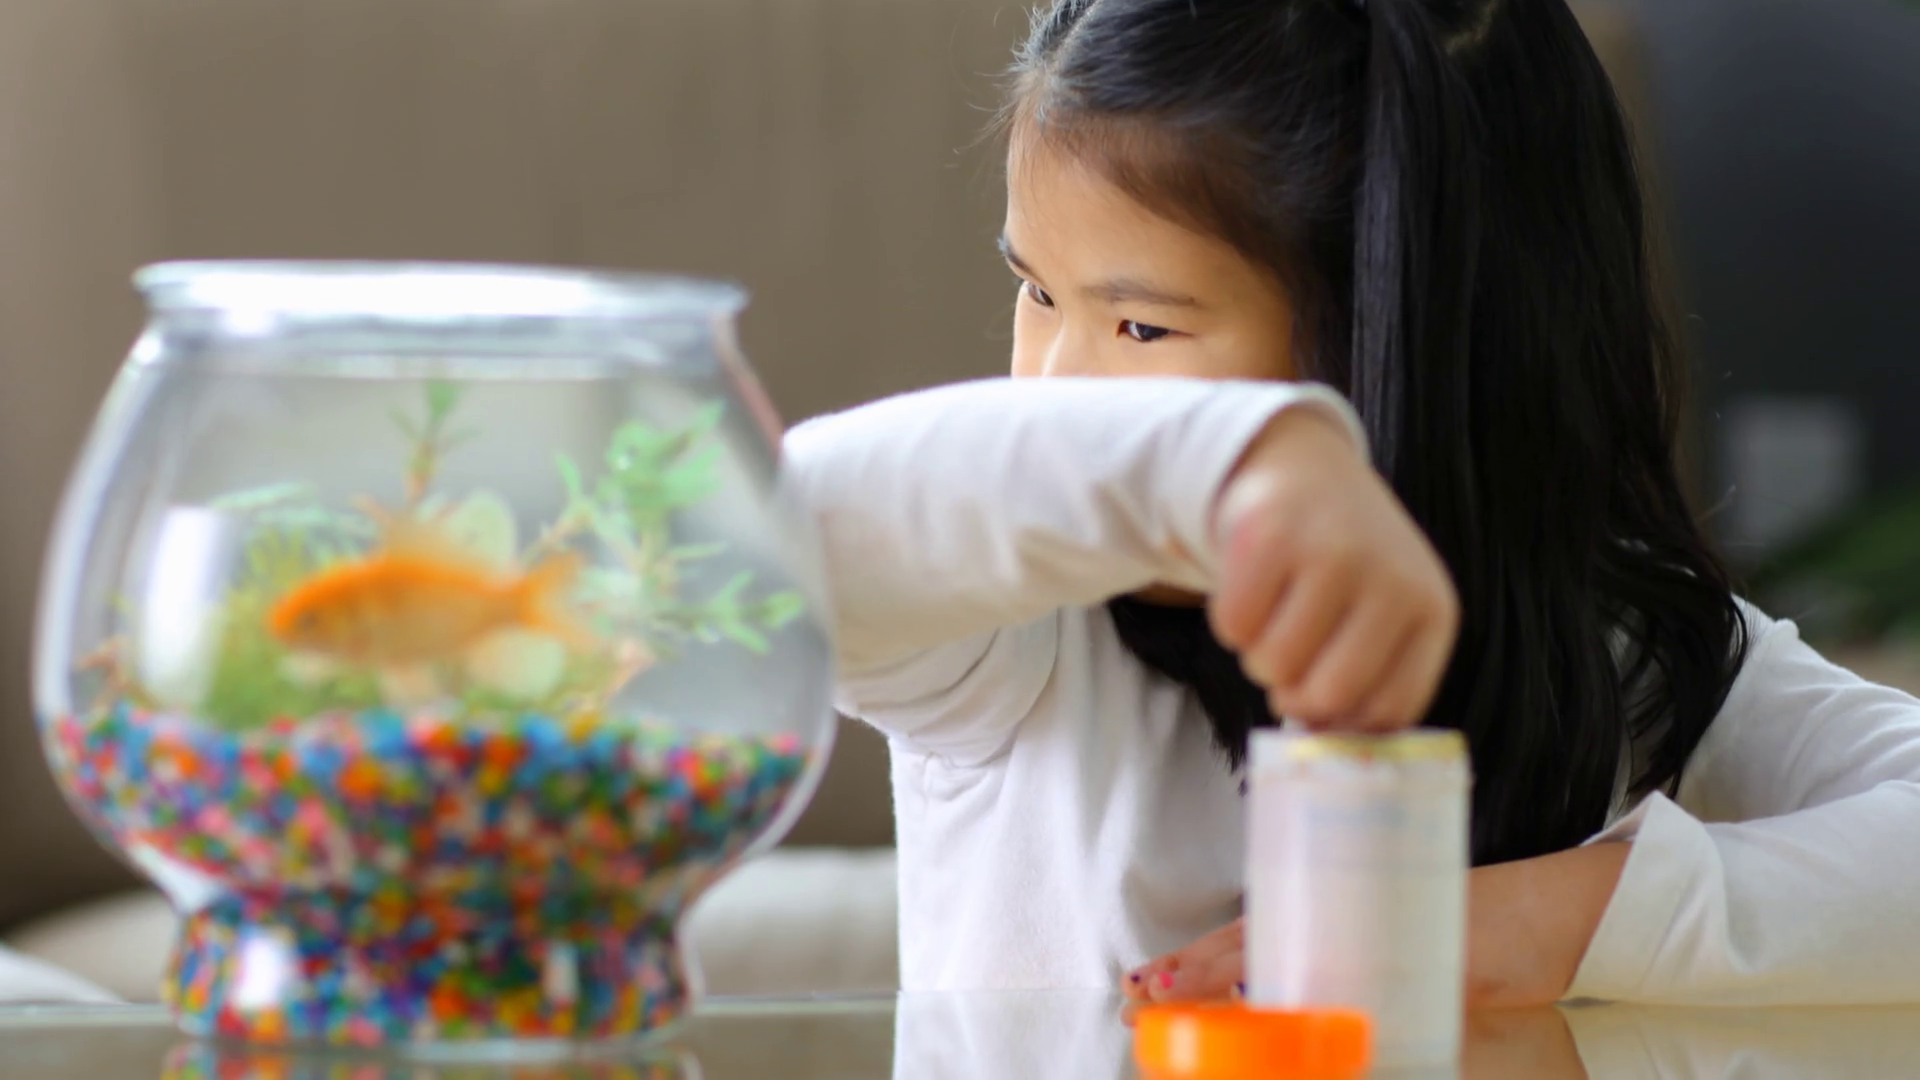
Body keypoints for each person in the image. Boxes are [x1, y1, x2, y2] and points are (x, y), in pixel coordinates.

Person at [785, 0, 1920, 1008]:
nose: (1049, 388)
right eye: (1037, 292)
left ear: (1415, 344)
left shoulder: (1629, 656)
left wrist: (1546, 921)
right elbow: (769, 539)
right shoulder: (1020, 632)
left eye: (1140, 328)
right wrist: (1238, 460)